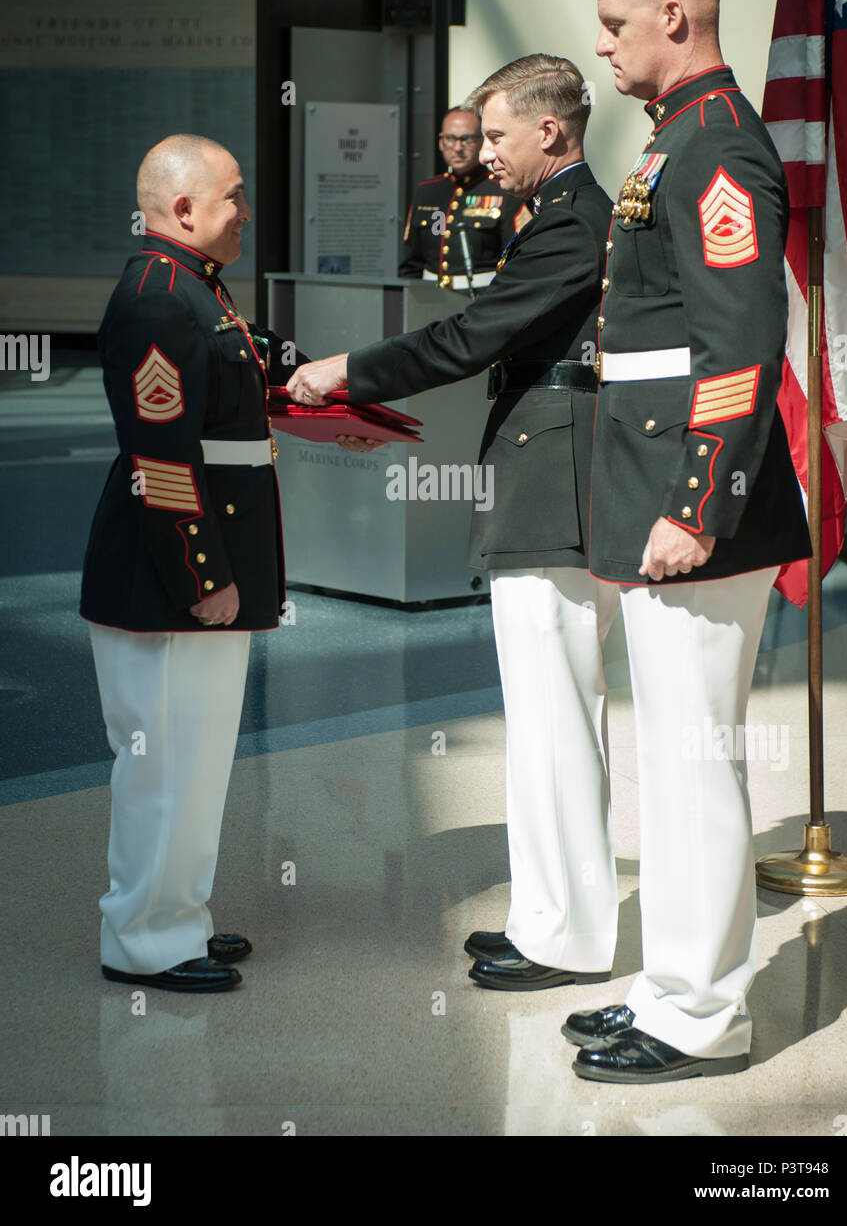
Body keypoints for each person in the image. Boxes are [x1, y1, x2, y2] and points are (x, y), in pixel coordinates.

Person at [288, 55, 622, 991]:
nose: (485, 155)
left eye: (501, 135)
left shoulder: (572, 222)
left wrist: (346, 371)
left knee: (554, 712)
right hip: (545, 469)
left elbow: (471, 338)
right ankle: (549, 917)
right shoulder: (560, 216)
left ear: (549, 132)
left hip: (553, 478)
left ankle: (565, 934)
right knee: (550, 712)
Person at [563, 0, 811, 1083]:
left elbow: (742, 341)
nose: (602, 46)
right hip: (659, 489)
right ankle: (670, 988)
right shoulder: (677, 137)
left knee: (697, 760)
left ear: (677, 14)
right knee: (670, 760)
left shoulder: (716, 147)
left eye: (617, 25)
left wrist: (702, 504)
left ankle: (705, 1013)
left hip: (696, 504)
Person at [80, 133, 377, 994]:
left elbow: (249, 364)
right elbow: (161, 461)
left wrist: (323, 399)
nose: (245, 213)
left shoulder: (192, 290)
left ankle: (179, 920)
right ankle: (142, 940)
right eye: (234, 198)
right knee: (161, 762)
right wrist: (204, 579)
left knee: (196, 761)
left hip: (197, 574)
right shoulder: (153, 300)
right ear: (183, 210)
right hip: (167, 580)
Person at [399, 105, 530, 292]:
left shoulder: (504, 191)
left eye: (466, 139)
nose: (458, 148)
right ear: (441, 143)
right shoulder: (428, 191)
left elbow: (516, 263)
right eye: (450, 139)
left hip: (480, 300)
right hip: (429, 300)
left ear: (481, 142)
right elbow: (411, 263)